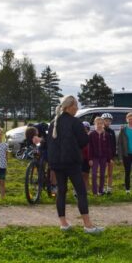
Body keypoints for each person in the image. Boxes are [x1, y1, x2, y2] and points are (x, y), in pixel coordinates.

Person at [47, 95, 102, 233]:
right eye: (76, 105)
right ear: (69, 107)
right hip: (71, 162)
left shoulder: (54, 122)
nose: (77, 108)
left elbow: (49, 143)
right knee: (81, 192)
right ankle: (88, 225)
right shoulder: (75, 122)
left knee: (61, 191)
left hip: (57, 163)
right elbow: (84, 141)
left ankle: (64, 224)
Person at [89, 116, 112, 195]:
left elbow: (108, 147)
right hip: (94, 157)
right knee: (94, 174)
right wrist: (90, 159)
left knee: (102, 174)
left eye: (101, 123)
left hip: (103, 157)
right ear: (94, 124)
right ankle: (94, 192)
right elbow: (90, 147)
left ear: (103, 124)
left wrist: (108, 159)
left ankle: (101, 191)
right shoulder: (92, 134)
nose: (99, 125)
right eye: (97, 123)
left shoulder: (106, 134)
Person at [102, 113, 117, 194]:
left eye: (109, 121)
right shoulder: (100, 131)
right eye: (106, 120)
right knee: (102, 173)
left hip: (110, 156)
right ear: (103, 121)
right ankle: (102, 188)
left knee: (110, 173)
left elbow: (114, 144)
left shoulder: (112, 132)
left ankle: (109, 189)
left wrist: (113, 156)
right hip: (102, 156)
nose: (107, 122)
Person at [80, 121, 92, 192]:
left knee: (86, 174)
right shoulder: (78, 137)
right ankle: (80, 189)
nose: (84, 130)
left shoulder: (90, 137)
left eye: (86, 128)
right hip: (80, 158)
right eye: (83, 128)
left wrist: (90, 158)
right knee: (80, 174)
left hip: (87, 159)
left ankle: (87, 188)